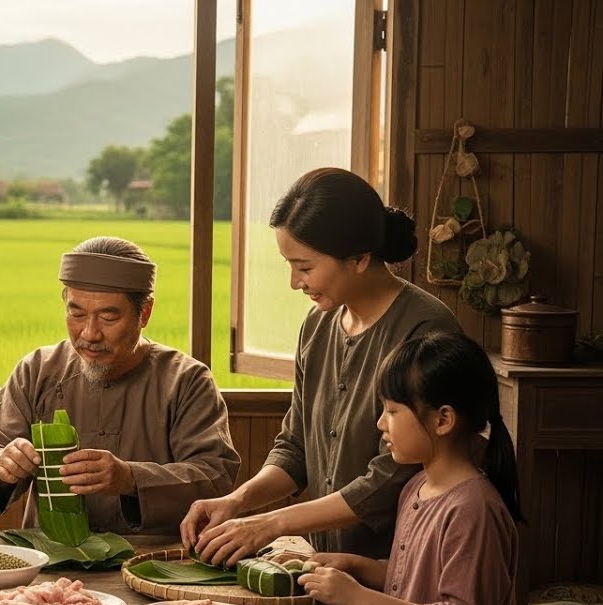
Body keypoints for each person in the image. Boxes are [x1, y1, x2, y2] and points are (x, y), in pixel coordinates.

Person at [181, 168, 462, 565]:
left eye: (305, 267)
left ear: (360, 258)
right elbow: (295, 448)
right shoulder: (318, 326)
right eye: (289, 265)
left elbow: (391, 476)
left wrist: (272, 524)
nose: (295, 282)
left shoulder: (426, 327)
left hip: (403, 568)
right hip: (326, 566)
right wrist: (236, 501)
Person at [299, 331, 522, 605]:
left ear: (443, 420)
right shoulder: (417, 485)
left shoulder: (473, 508)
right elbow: (417, 581)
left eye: (392, 410)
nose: (380, 423)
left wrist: (358, 598)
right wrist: (356, 566)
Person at [0, 236, 240, 534]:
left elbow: (215, 473)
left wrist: (131, 478)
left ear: (144, 313)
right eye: (76, 313)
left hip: (151, 562)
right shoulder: (37, 370)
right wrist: (3, 464)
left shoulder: (186, 380)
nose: (90, 333)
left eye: (108, 317)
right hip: (52, 560)